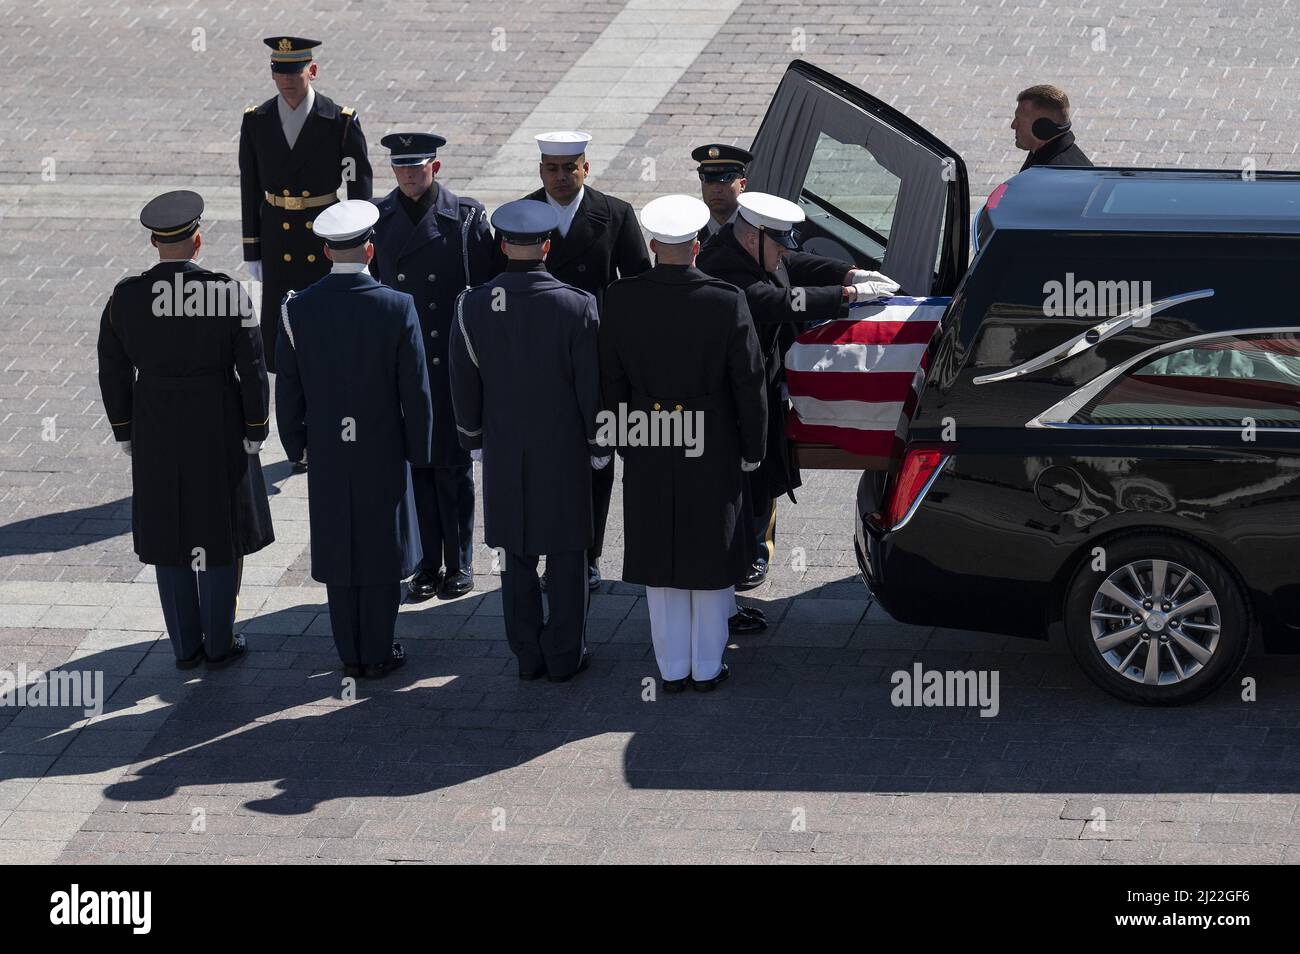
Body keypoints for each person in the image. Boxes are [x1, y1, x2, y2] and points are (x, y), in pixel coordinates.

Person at [97, 190, 273, 669]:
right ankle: (219, 642)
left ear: (155, 242)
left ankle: (184, 646)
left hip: (155, 425)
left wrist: (125, 428)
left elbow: (111, 369)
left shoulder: (126, 297)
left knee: (168, 535)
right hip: (217, 421)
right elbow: (252, 365)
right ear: (198, 241)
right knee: (219, 532)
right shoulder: (224, 292)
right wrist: (256, 426)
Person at [601, 195, 767, 692]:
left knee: (661, 557)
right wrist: (753, 446)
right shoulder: (724, 299)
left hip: (648, 437)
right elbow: (749, 380)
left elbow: (609, 381)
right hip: (711, 440)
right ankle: (707, 667)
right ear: (697, 246)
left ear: (652, 245)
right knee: (711, 554)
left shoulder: (620, 298)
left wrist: (619, 439)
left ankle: (671, 668)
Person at [697, 192, 898, 591]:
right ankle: (736, 558)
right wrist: (846, 298)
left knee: (766, 470)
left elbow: (794, 265)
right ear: (754, 239)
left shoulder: (754, 249)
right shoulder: (720, 265)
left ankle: (753, 549)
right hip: (729, 400)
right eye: (777, 244)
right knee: (744, 476)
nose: (782, 253)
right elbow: (773, 300)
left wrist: (848, 274)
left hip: (762, 385)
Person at [275, 200, 434, 679]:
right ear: (369, 249)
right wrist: (419, 448)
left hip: (327, 446)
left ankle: (350, 650)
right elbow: (416, 388)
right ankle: (380, 650)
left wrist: (295, 444)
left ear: (327, 251)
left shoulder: (299, 308)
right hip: (383, 445)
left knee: (339, 540)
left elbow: (289, 386)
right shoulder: (397, 305)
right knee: (382, 543)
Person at [450, 199, 604, 683]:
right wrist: (599, 445)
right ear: (547, 245)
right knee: (566, 553)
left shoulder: (473, 304)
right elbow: (590, 387)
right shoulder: (577, 306)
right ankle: (564, 655)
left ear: (501, 245)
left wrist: (472, 437)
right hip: (563, 451)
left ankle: (527, 656)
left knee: (514, 556)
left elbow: (463, 380)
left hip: (505, 450)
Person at [519, 131, 652, 590]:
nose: (560, 177)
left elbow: (638, 291)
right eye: (551, 169)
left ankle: (589, 554)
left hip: (596, 361)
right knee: (543, 461)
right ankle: (544, 549)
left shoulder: (614, 215)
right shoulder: (522, 216)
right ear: (540, 171)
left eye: (569, 168)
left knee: (597, 461)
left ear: (585, 168)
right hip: (538, 364)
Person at [370, 131, 494, 602]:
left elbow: (482, 291)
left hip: (451, 363)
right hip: (407, 364)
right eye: (400, 168)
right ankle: (425, 562)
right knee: (418, 463)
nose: (407, 175)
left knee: (455, 466)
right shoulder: (379, 221)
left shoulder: (465, 219)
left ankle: (459, 561)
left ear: (435, 168)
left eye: (416, 168)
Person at [238, 35, 373, 413]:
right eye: (279, 73)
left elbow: (358, 185)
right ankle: (293, 422)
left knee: (323, 332)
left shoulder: (339, 121)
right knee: (281, 341)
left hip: (321, 236)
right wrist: (252, 247)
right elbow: (250, 186)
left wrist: (358, 243)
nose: (286, 82)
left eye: (294, 73)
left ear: (311, 71)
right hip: (277, 236)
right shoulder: (257, 120)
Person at [1012, 84, 1093, 170]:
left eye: (1019, 119)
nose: (1013, 125)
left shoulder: (1050, 174)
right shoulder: (1042, 155)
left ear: (1041, 128)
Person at [693, 143, 752, 240]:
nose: (716, 189)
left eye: (726, 180)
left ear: (742, 185)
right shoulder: (689, 231)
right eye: (709, 181)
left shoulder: (758, 231)